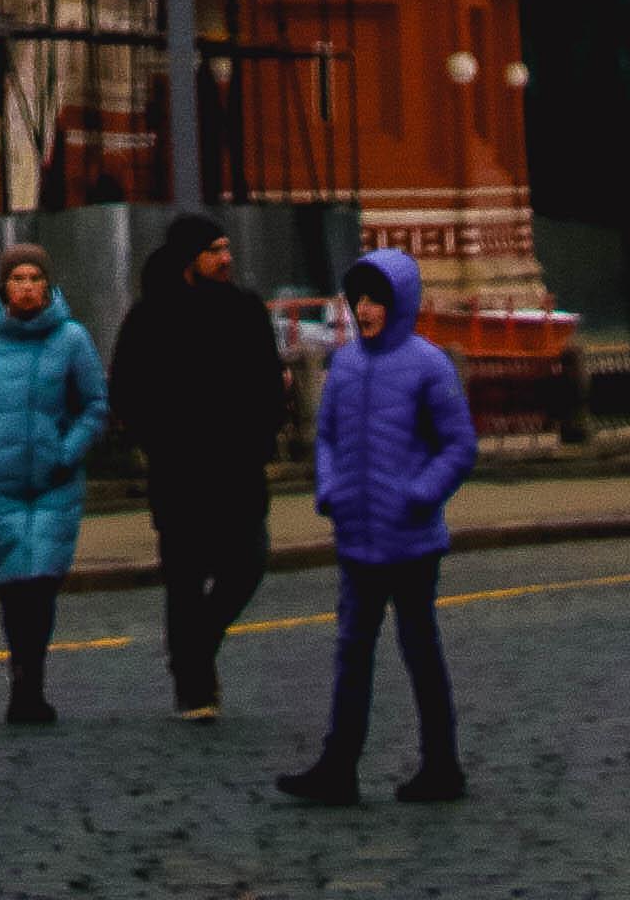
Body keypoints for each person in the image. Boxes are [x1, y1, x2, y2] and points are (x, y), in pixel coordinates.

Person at [276, 248, 474, 811]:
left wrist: (420, 493)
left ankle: (441, 764)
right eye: (359, 299)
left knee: (419, 651)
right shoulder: (345, 364)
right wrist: (328, 488)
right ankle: (339, 767)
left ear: (399, 304)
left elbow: (459, 446)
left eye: (376, 300)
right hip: (358, 536)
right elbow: (330, 439)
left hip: (410, 539)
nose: (365, 310)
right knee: (351, 651)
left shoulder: (429, 364)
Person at [110, 212, 292, 719]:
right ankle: (195, 686)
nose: (226, 258)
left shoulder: (245, 310)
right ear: (191, 258)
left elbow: (267, 377)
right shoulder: (151, 317)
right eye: (215, 250)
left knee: (249, 560)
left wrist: (260, 435)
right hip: (181, 472)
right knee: (185, 578)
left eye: (227, 248)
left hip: (238, 467)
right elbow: (126, 388)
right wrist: (160, 439)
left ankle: (195, 647)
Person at [0, 239, 105, 733]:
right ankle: (23, 683)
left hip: (55, 486)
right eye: (18, 279)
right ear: (4, 285)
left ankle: (33, 680)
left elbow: (95, 405)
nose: (27, 288)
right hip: (1, 485)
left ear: (48, 285)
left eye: (35, 279)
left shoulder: (72, 339)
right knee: (15, 589)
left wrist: (67, 452)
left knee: (43, 586)